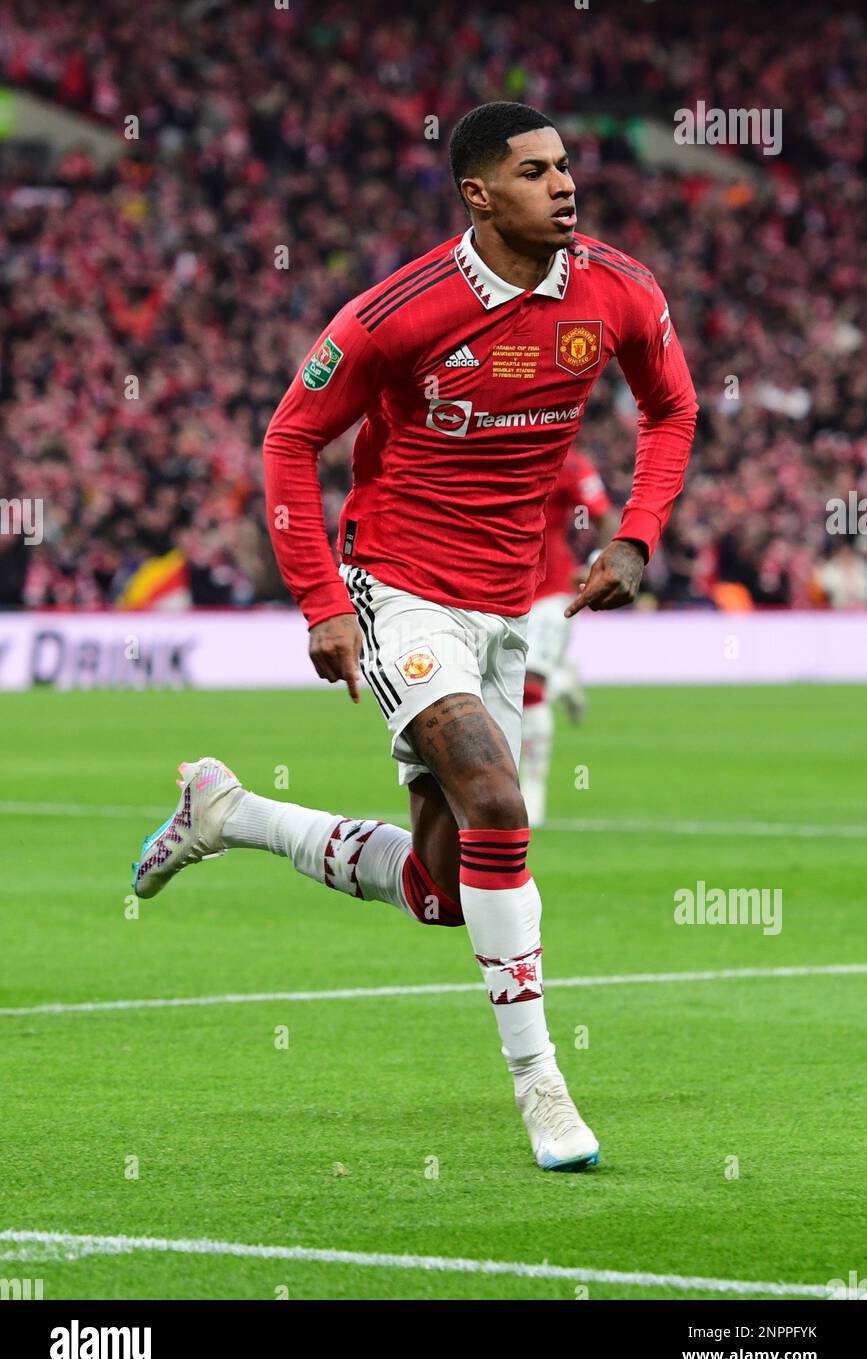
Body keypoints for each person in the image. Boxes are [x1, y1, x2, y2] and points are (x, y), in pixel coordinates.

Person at [132, 102, 698, 1172]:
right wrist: (322, 601)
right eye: (534, 172)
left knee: (445, 890)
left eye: (567, 165)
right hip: (398, 586)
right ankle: (542, 1088)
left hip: (504, 609)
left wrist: (636, 538)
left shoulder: (618, 289)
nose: (565, 184)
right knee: (498, 795)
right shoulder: (400, 312)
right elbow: (290, 436)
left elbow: (671, 409)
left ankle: (230, 812)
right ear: (478, 196)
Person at [520, 448, 617, 826]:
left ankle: (533, 789)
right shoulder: (492, 442)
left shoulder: (572, 465)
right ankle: (564, 681)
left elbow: (606, 518)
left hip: (551, 591)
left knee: (529, 689)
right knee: (505, 687)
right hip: (500, 590)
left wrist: (596, 563)